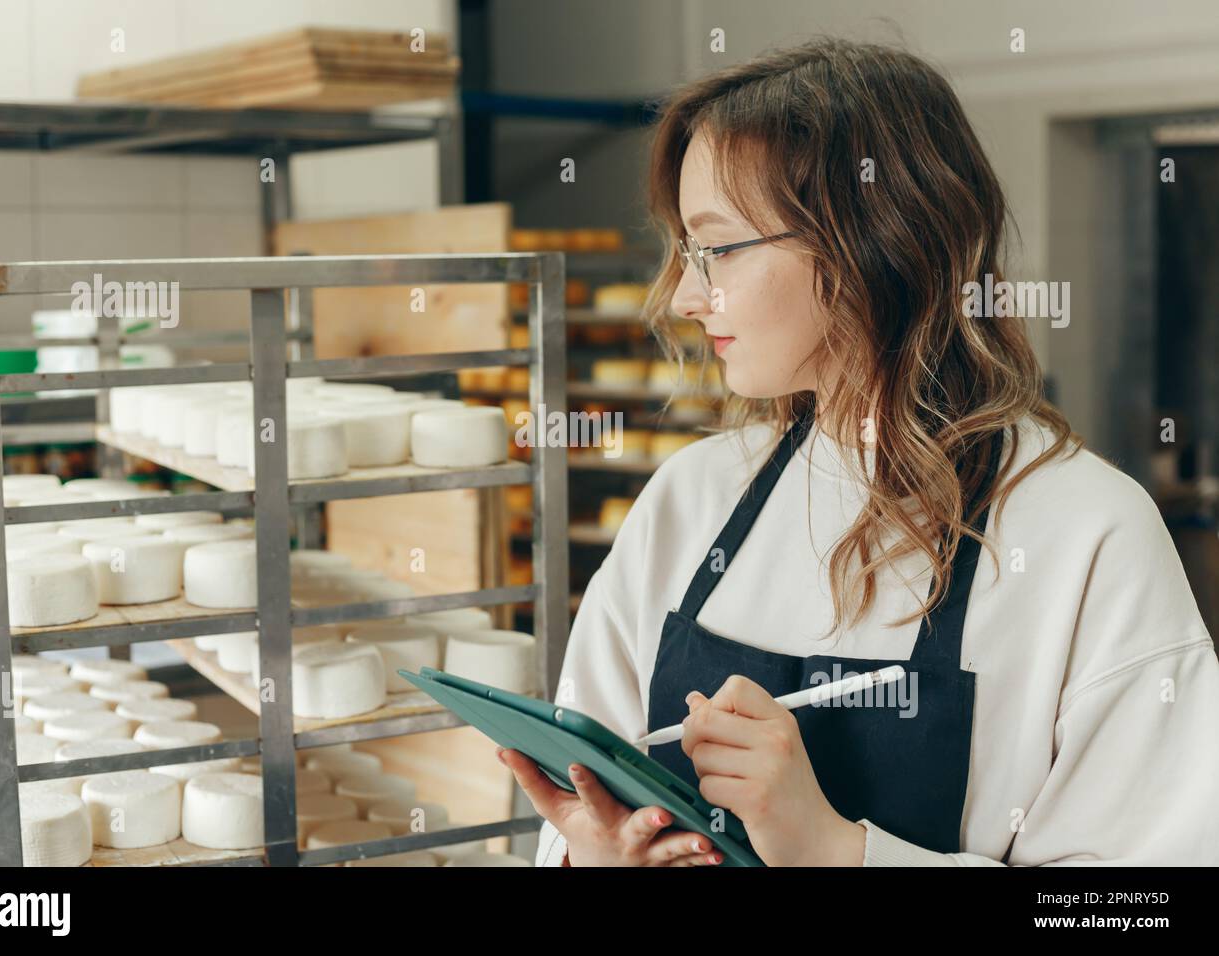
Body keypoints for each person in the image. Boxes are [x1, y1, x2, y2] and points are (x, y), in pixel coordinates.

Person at [497, 39, 1219, 866]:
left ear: (872, 242)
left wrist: (836, 851)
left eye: (717, 247)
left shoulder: (1086, 535)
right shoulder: (689, 500)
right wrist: (596, 856)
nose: (685, 297)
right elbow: (576, 810)